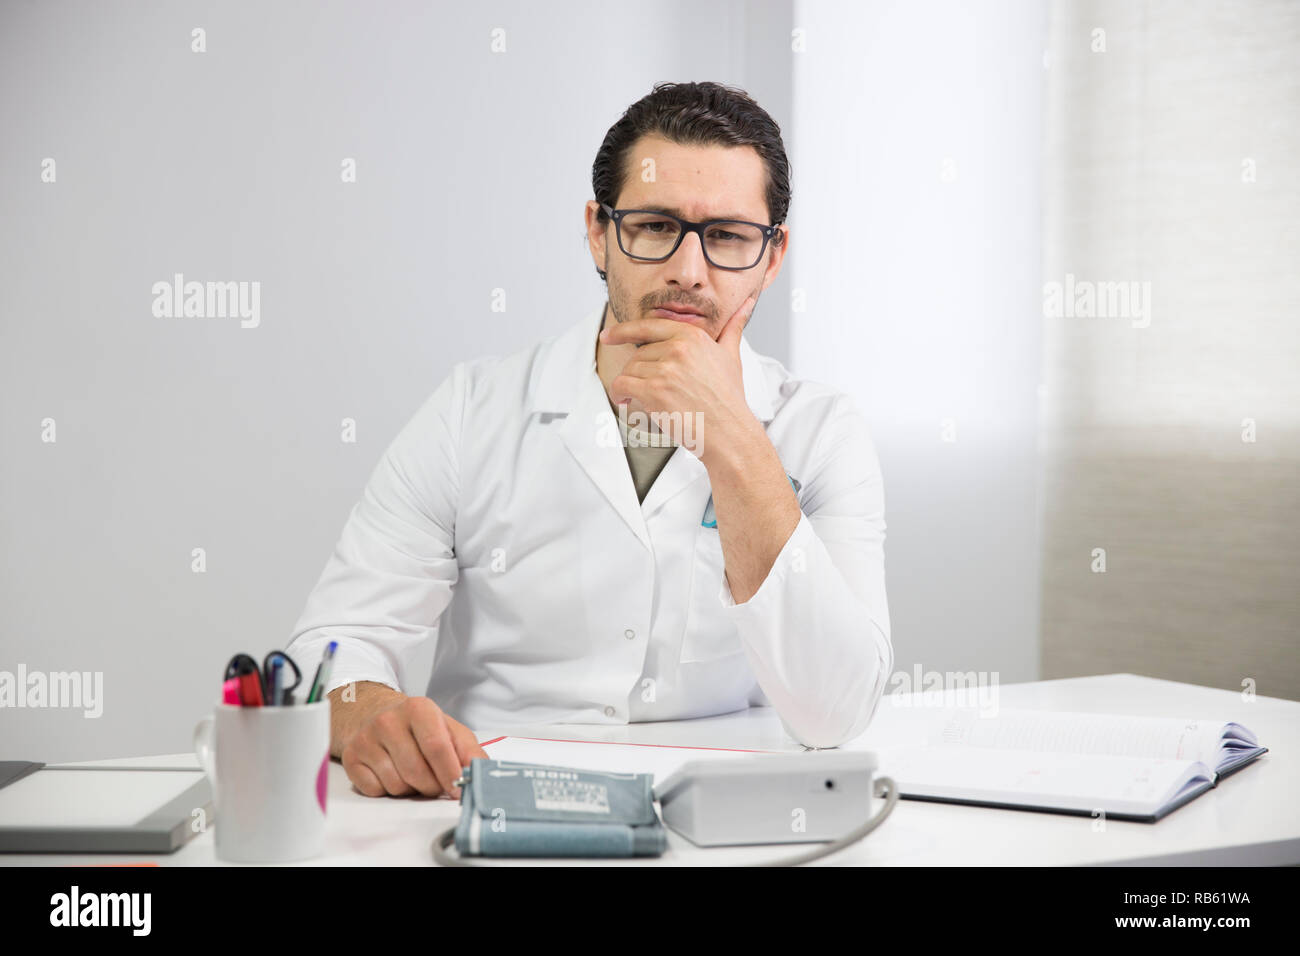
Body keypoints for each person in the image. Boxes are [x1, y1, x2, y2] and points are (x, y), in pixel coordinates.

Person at [287, 81, 892, 799]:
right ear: (599, 234)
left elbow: (837, 712)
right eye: (655, 226)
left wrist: (732, 437)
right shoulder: (472, 411)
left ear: (772, 254)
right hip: (491, 801)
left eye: (726, 236)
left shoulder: (820, 432)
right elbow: (324, 655)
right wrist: (370, 714)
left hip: (722, 812)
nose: (688, 271)